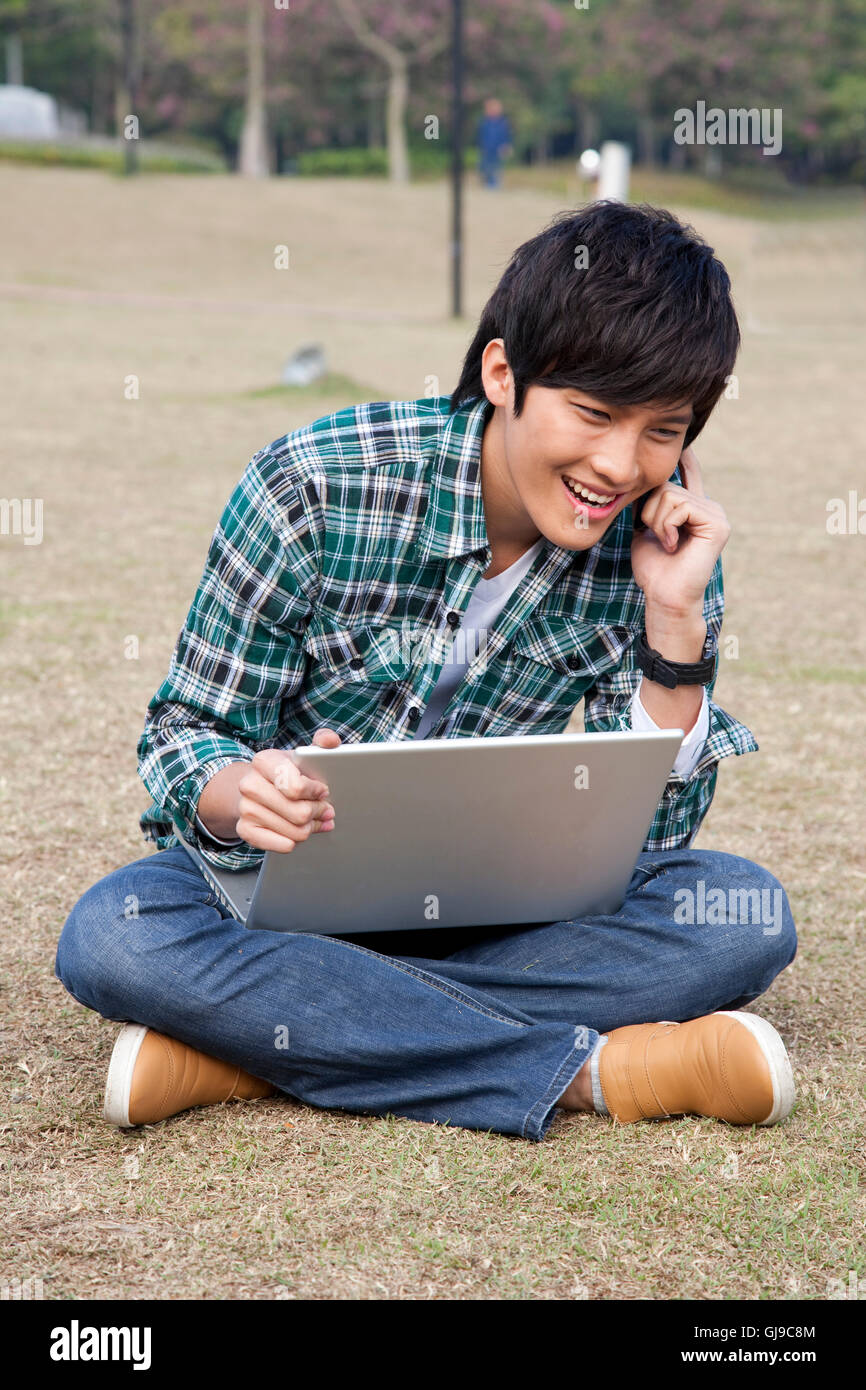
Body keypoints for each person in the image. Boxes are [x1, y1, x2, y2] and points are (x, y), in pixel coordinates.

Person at [56, 201, 797, 1141]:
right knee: (116, 930)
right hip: (280, 908)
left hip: (503, 914)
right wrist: (244, 791)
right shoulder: (316, 482)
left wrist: (675, 620)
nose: (619, 465)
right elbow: (182, 735)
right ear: (502, 372)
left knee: (745, 913)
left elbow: (655, 838)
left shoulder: (663, 549)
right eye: (594, 414)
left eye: (663, 431)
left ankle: (250, 1050)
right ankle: (599, 1070)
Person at [477, 96, 512, 188]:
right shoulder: (484, 122)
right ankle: (487, 182)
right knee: (485, 166)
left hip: (498, 149)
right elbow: (481, 136)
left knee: (497, 167)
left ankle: (494, 183)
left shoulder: (503, 123)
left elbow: (506, 136)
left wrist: (506, 146)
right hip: (486, 149)